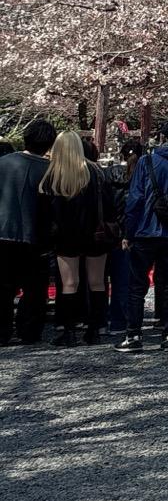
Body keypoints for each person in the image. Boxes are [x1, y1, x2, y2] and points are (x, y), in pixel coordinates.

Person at [120, 120, 168, 350]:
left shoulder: (146, 162)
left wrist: (128, 232)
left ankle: (133, 335)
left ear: (162, 138)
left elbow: (134, 200)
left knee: (137, 285)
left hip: (145, 231)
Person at [35, 128, 107, 346]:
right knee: (97, 282)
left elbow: (44, 214)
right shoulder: (95, 173)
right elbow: (110, 205)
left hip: (65, 237)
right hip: (95, 234)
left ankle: (69, 331)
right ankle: (95, 330)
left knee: (69, 283)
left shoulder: (51, 177)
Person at [0, 118, 58, 347]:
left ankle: (2, 331)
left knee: (2, 286)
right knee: (34, 288)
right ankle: (30, 331)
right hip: (36, 236)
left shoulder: (3, 163)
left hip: (3, 232)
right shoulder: (50, 170)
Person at [102, 138, 144, 334]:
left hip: (112, 231)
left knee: (110, 277)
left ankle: (112, 319)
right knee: (132, 280)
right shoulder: (143, 175)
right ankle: (128, 321)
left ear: (120, 154)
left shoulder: (108, 174)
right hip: (136, 232)